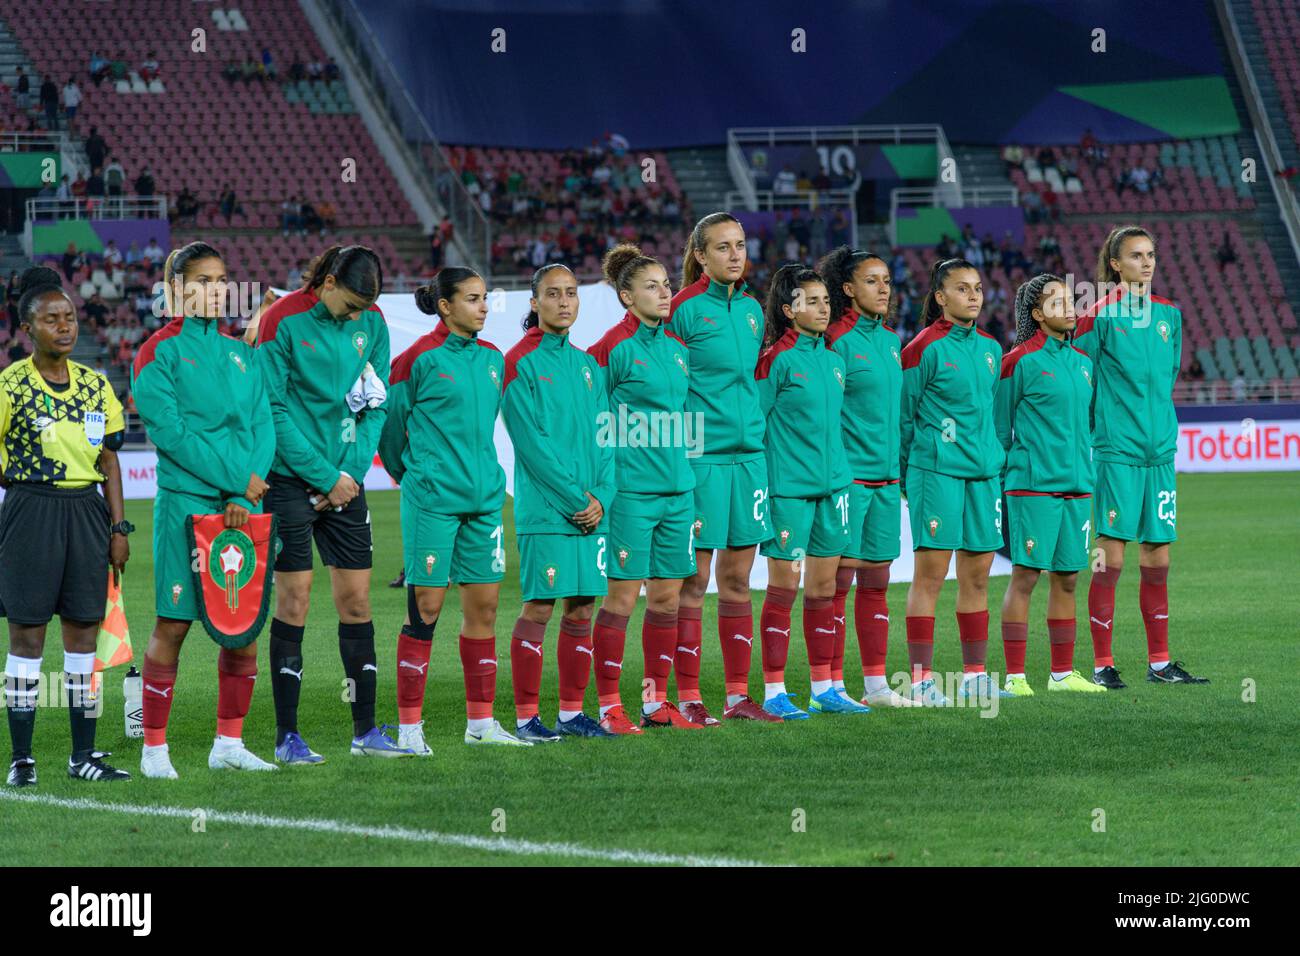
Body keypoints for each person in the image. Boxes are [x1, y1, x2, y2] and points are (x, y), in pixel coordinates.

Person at [130, 243, 278, 778]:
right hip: (186, 508)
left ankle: (229, 744)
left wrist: (242, 496)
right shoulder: (156, 353)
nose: (215, 290)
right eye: (202, 281)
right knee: (173, 625)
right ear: (175, 291)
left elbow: (263, 428)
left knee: (243, 627)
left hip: (240, 510)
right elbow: (173, 436)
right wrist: (239, 480)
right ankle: (153, 751)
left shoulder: (244, 355)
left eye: (221, 280)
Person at [256, 245, 409, 760]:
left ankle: (365, 732)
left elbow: (377, 403)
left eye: (366, 307)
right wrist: (323, 475)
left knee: (358, 603)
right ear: (325, 284)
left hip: (345, 481)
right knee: (294, 603)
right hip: (288, 482)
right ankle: (287, 738)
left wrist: (349, 475)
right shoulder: (282, 321)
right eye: (350, 305)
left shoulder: (375, 320)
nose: (358, 316)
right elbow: (272, 411)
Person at [378, 268, 527, 749]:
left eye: (485, 298)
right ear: (445, 306)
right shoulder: (415, 360)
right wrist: (413, 476)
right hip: (432, 503)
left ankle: (481, 725)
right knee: (427, 607)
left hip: (484, 502)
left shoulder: (493, 360)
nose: (484, 307)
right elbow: (389, 430)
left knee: (484, 609)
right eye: (472, 299)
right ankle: (407, 729)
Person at [0, 267, 130, 786]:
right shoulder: (9, 384)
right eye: (51, 319)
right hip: (30, 510)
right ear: (27, 329)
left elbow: (110, 461)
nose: (65, 326)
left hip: (87, 514)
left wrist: (118, 528)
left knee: (82, 636)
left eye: (70, 317)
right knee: (26, 638)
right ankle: (22, 760)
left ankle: (84, 756)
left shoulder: (97, 386)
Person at [1075, 226, 1207, 686]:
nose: (1147, 263)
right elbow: (1080, 384)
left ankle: (1159, 663)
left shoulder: (1170, 314)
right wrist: (1102, 432)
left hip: (1160, 454)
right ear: (1115, 265)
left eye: (1151, 254)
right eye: (1136, 256)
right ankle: (1102, 665)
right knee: (1109, 560)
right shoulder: (1098, 317)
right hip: (1117, 453)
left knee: (1158, 560)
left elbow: (1167, 376)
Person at [667, 213, 780, 724]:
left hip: (748, 460)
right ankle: (688, 696)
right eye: (723, 248)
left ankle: (737, 697)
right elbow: (666, 387)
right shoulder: (682, 311)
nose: (735, 255)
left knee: (738, 580)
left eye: (740, 246)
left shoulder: (755, 310)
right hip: (702, 461)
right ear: (700, 256)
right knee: (693, 579)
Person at [587, 245, 702, 733]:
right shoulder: (609, 348)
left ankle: (655, 703)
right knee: (621, 600)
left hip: (678, 493)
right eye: (651, 286)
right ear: (625, 296)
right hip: (631, 495)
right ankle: (609, 705)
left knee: (667, 602)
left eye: (666, 285)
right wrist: (603, 484)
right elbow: (592, 423)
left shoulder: (677, 350)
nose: (664, 293)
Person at [501, 264, 617, 740]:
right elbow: (530, 445)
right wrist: (577, 498)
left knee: (583, 608)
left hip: (592, 512)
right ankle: (527, 717)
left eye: (571, 293)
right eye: (553, 294)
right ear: (534, 302)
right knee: (539, 608)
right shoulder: (518, 362)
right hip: (548, 512)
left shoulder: (588, 366)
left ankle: (571, 714)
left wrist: (603, 498)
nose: (565, 301)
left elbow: (606, 437)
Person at [751, 265, 867, 719]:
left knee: (824, 590)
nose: (823, 309)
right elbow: (757, 425)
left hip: (834, 488)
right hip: (788, 492)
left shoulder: (835, 361)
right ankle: (775, 691)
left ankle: (825, 687)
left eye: (826, 302)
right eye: (812, 302)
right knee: (784, 589)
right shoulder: (773, 361)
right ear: (787, 309)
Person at [899, 258, 1012, 705]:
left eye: (978, 288)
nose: (973, 296)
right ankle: (922, 680)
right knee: (930, 576)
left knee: (979, 577)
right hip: (937, 473)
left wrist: (995, 461)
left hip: (983, 476)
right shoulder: (922, 349)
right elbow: (904, 418)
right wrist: (910, 474)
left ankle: (975, 676)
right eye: (962, 289)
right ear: (941, 297)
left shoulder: (989, 349)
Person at [996, 274, 1107, 696]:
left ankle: (1062, 674)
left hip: (1077, 486)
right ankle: (1015, 677)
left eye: (1071, 300)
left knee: (1067, 579)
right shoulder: (1017, 362)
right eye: (1057, 302)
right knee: (1026, 576)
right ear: (1037, 314)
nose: (1070, 307)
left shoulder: (1083, 362)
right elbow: (999, 428)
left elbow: (1087, 423)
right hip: (1031, 487)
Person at [820, 247, 918, 708]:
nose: (884, 289)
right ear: (848, 289)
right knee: (837, 584)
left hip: (885, 481)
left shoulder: (892, 342)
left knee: (877, 583)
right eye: (872, 281)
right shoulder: (833, 340)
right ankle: (831, 685)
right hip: (849, 483)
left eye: (887, 281)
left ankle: (876, 686)